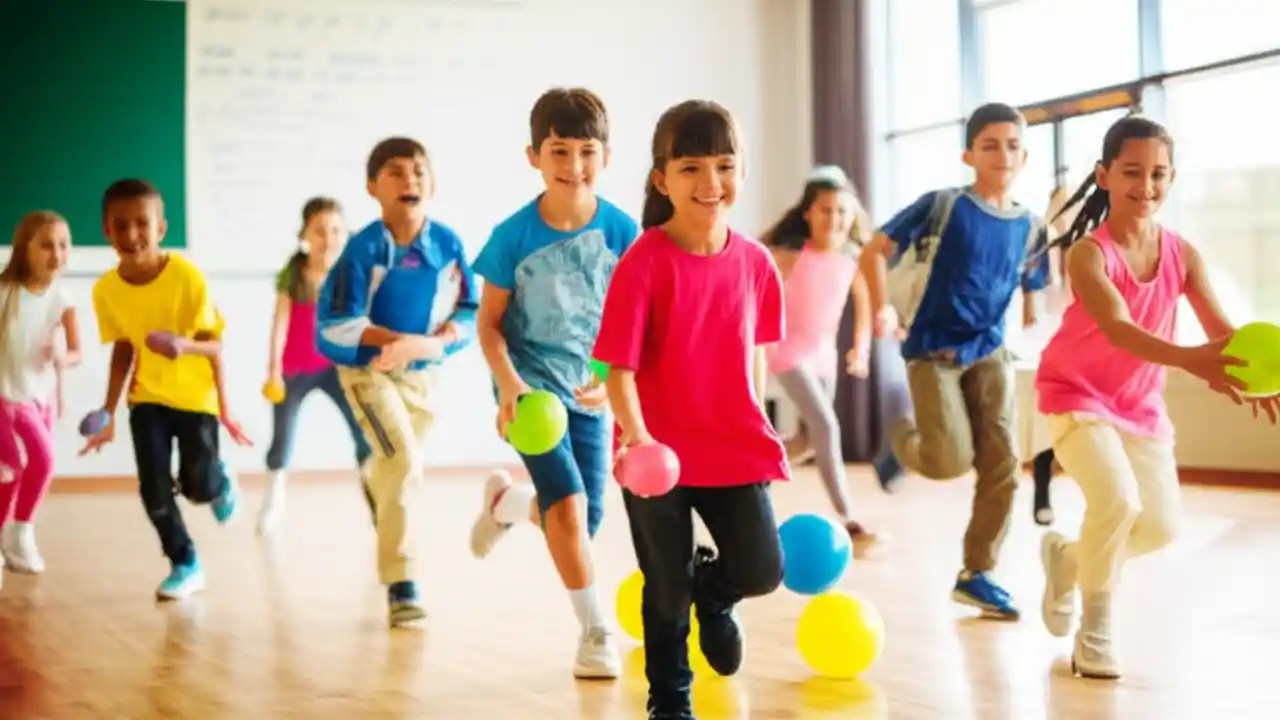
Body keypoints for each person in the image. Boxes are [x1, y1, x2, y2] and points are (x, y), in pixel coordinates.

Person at [1034, 115, 1279, 679]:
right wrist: (1194, 361)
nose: (1146, 186)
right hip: (1076, 394)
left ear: (1172, 179)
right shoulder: (1088, 256)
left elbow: (1221, 331)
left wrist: (1258, 376)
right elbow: (1118, 328)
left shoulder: (1183, 254)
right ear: (1104, 175)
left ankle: (1068, 560)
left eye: (1159, 174)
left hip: (1139, 406)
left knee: (1163, 527)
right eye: (1132, 172)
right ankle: (1094, 632)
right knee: (1116, 502)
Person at [593, 99, 787, 720]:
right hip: (658, 455)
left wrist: (757, 419)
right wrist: (640, 438)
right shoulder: (643, 261)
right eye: (691, 168)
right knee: (665, 587)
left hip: (731, 445)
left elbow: (754, 353)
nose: (710, 184)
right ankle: (670, 700)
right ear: (662, 180)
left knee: (761, 571)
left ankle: (718, 592)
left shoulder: (756, 264)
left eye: (725, 166)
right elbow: (618, 369)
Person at [468, 87, 638, 678]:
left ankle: (507, 504)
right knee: (566, 512)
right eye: (558, 151)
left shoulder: (622, 232)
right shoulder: (512, 237)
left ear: (607, 157)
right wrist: (510, 386)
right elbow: (488, 326)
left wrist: (605, 380)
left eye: (586, 151)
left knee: (581, 523)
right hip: (532, 389)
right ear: (533, 156)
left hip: (591, 393)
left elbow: (626, 321)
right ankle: (595, 633)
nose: (573, 167)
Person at [860, 102, 1050, 620]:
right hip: (932, 352)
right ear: (968, 154)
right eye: (989, 144)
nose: (1002, 154)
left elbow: (1032, 288)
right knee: (947, 461)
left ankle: (978, 574)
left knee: (1004, 465)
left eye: (1012, 145)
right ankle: (901, 442)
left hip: (989, 351)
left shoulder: (1032, 226)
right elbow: (874, 251)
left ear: (1025, 156)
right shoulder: (943, 205)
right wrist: (880, 309)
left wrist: (1034, 322)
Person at [316, 137, 479, 627]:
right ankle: (402, 582)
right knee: (402, 460)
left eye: (419, 171)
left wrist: (434, 343)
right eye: (396, 172)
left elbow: (468, 312)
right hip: (369, 373)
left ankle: (373, 477)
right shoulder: (362, 251)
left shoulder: (447, 245)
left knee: (396, 467)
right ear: (373, 186)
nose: (410, 179)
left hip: (422, 377)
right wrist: (400, 342)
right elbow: (335, 324)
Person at [80, 178, 251, 600]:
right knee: (152, 488)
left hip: (195, 399)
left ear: (162, 228)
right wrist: (109, 411)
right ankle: (184, 562)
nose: (132, 235)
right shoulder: (105, 290)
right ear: (106, 230)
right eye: (120, 225)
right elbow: (123, 348)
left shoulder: (187, 278)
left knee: (197, 488)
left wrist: (184, 348)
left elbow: (216, 347)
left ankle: (219, 481)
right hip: (148, 399)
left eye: (142, 223)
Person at [760, 164, 884, 556]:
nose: (834, 219)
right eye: (826, 210)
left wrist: (861, 347)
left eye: (842, 212)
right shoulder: (789, 255)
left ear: (853, 217)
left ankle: (753, 474)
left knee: (809, 440)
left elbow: (862, 306)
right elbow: (752, 283)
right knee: (827, 425)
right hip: (786, 351)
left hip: (823, 357)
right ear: (808, 214)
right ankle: (850, 519)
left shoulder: (853, 259)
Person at [258, 197, 373, 535]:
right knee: (282, 440)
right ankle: (271, 504)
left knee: (364, 435)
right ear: (305, 235)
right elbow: (279, 322)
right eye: (320, 231)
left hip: (338, 369)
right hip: (295, 370)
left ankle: (378, 507)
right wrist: (273, 368)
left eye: (336, 230)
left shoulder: (351, 273)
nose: (329, 238)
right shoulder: (293, 274)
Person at [0, 211, 80, 579]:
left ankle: (20, 533)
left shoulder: (62, 298)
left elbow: (77, 352)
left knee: (43, 463)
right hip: (3, 395)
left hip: (36, 398)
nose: (57, 254)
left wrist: (62, 356)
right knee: (9, 468)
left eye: (63, 245)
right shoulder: (5, 293)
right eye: (46, 245)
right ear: (24, 249)